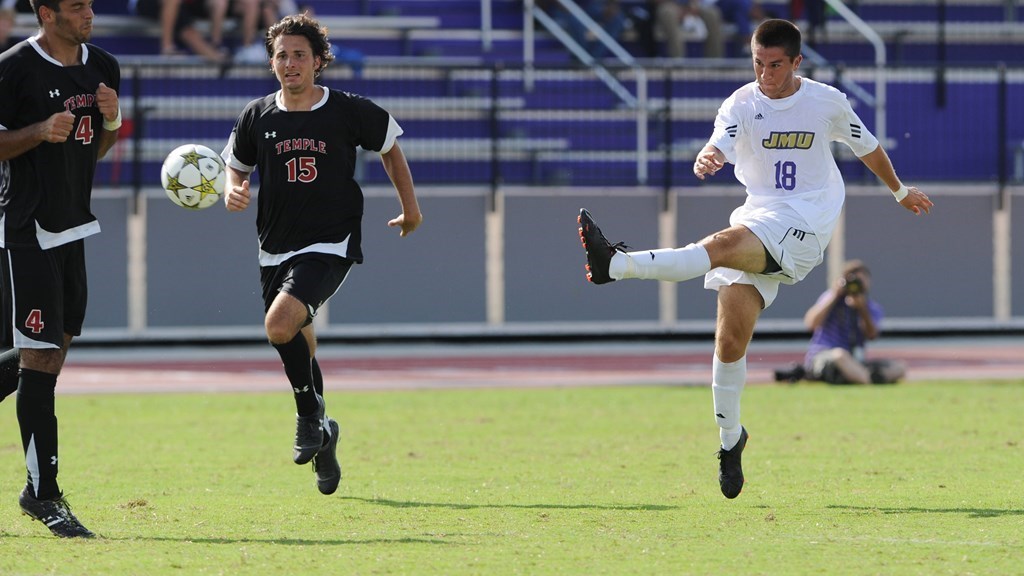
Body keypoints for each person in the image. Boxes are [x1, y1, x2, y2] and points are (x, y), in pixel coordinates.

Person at [577, 18, 932, 499]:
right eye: (758, 64)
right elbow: (719, 141)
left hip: (808, 221)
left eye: (776, 65)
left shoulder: (826, 102)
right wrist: (709, 156)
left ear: (797, 62)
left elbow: (867, 148)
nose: (765, 74)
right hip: (759, 216)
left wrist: (899, 192)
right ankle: (730, 440)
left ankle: (616, 265)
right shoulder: (741, 102)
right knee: (729, 342)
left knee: (720, 245)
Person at [222, 13, 422, 495]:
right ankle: (326, 437)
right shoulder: (257, 115)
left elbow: (390, 148)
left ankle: (309, 418)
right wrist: (233, 189)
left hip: (331, 242)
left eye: (299, 55)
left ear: (318, 61)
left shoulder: (347, 110)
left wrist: (410, 210)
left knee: (278, 325)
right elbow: (236, 168)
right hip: (274, 247)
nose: (289, 64)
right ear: (271, 63)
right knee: (300, 344)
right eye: (281, 55)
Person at [0, 0, 121, 537]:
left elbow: (96, 147)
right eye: (76, 6)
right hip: (27, 230)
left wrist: (112, 119)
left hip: (75, 227)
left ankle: (39, 490)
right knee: (42, 358)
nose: (88, 13)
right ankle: (43, 494)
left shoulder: (104, 66)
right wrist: (38, 131)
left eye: (90, 4)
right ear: (46, 13)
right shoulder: (13, 68)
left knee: (50, 356)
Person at [801, 260, 906, 384]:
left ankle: (860, 377)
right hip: (825, 356)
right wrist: (835, 295)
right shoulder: (830, 298)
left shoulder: (871, 307)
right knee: (840, 355)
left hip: (855, 360)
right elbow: (811, 323)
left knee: (899, 367)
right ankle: (869, 381)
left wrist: (862, 309)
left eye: (861, 281)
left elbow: (872, 335)